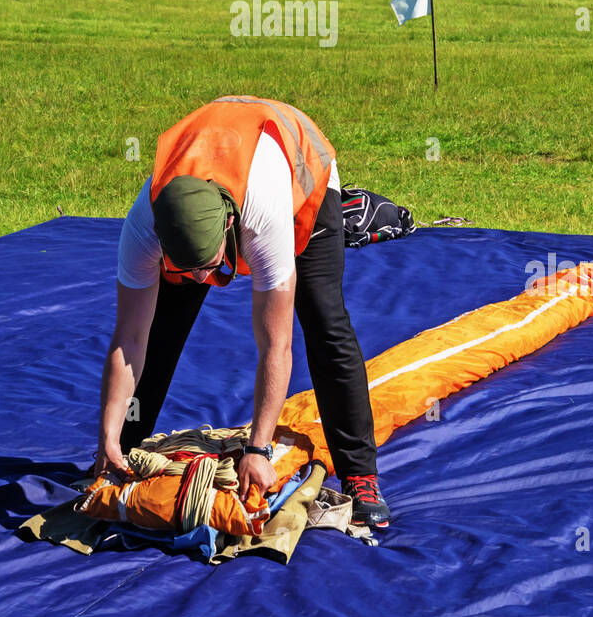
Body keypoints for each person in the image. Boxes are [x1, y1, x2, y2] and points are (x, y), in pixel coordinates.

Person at [95, 95, 391, 529]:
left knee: (323, 318)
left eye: (209, 266)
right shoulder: (144, 228)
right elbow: (129, 340)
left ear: (229, 228)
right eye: (188, 269)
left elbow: (276, 345)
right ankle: (121, 455)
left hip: (300, 169)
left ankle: (361, 474)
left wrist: (257, 450)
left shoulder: (265, 219)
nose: (202, 279)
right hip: (220, 159)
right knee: (159, 330)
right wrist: (108, 437)